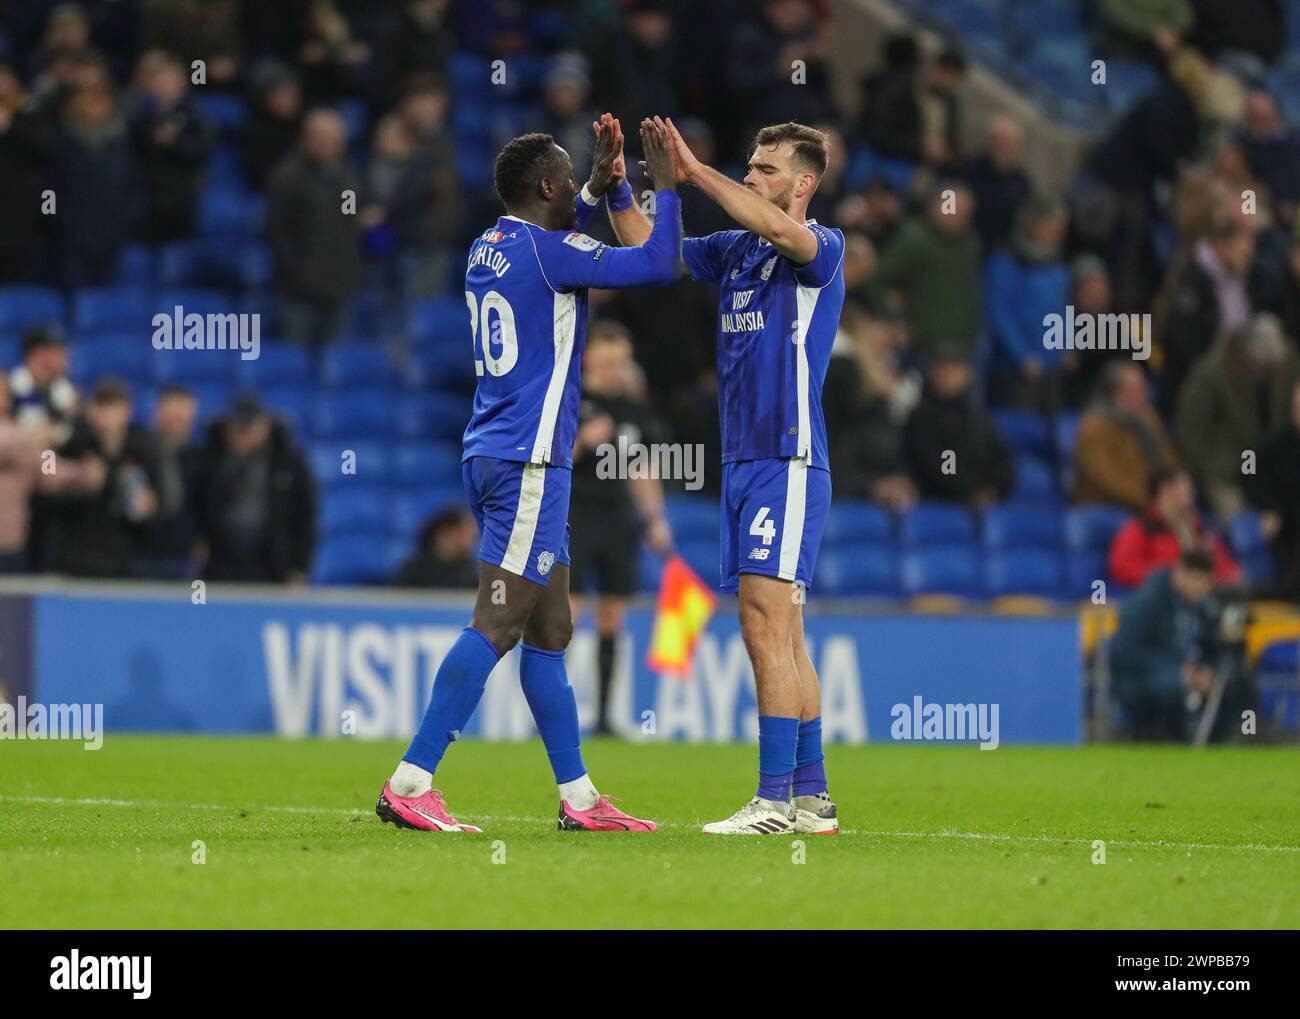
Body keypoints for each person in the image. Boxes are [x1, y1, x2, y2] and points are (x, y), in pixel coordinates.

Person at [376, 116, 681, 834]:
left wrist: (602, 185)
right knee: (501, 618)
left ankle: (579, 798)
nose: (577, 179)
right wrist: (656, 189)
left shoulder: (491, 245)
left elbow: (561, 245)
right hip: (528, 461)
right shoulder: (553, 253)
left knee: (552, 623)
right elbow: (657, 264)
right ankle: (410, 780)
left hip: (496, 448)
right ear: (546, 186)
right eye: (569, 174)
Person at [605, 117, 844, 835]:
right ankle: (811, 798)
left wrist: (693, 171)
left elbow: (777, 226)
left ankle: (772, 801)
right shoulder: (737, 250)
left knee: (766, 623)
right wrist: (620, 183)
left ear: (803, 184)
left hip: (786, 456)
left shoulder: (820, 248)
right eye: (750, 164)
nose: (752, 176)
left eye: (767, 169)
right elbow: (651, 249)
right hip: (743, 462)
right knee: (780, 630)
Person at [568, 322, 673, 736]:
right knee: (568, 614)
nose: (614, 370)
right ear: (590, 358)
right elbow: (545, 455)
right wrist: (582, 441)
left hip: (618, 520)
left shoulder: (634, 411)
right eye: (607, 360)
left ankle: (604, 717)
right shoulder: (571, 398)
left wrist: (655, 518)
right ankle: (556, 712)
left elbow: (641, 468)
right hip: (576, 514)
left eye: (621, 362)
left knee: (612, 615)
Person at [191, 392, 316, 584]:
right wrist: (197, 541)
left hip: (273, 565)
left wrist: (299, 567)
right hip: (220, 565)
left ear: (264, 426)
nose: (241, 436)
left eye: (247, 429)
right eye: (236, 429)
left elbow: (304, 517)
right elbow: (194, 506)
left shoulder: (290, 462)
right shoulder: (208, 459)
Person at [1108, 547, 1219, 741]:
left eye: (1204, 581)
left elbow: (1212, 646)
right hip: (1136, 679)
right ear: (1178, 573)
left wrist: (1207, 670)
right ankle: (1170, 741)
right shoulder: (1147, 601)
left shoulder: (1202, 607)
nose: (1199, 587)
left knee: (1232, 682)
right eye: (1194, 578)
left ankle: (1219, 747)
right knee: (1172, 683)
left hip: (1178, 674)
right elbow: (1122, 653)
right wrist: (1178, 670)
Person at [903, 346, 1016, 509]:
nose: (950, 376)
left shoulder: (978, 417)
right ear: (932, 372)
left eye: (956, 369)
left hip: (983, 501)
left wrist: (992, 489)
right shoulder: (922, 417)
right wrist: (972, 491)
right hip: (941, 505)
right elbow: (942, 466)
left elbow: (1004, 462)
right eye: (944, 368)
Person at [1072, 361, 1181, 511]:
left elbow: (1168, 460)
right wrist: (1154, 502)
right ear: (1117, 393)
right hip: (1107, 506)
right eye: (1139, 389)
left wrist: (1178, 489)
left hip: (1156, 500)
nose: (1146, 394)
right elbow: (1110, 482)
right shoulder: (1094, 429)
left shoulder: (1149, 418)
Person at [1107, 467, 1240, 589]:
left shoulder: (1201, 530)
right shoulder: (1142, 528)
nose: (1188, 501)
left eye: (1190, 493)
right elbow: (1121, 566)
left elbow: (1227, 570)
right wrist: (1170, 577)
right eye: (1182, 493)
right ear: (1164, 493)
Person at [392, 507, 479, 589]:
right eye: (467, 533)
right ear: (447, 533)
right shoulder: (413, 571)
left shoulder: (470, 573)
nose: (471, 540)